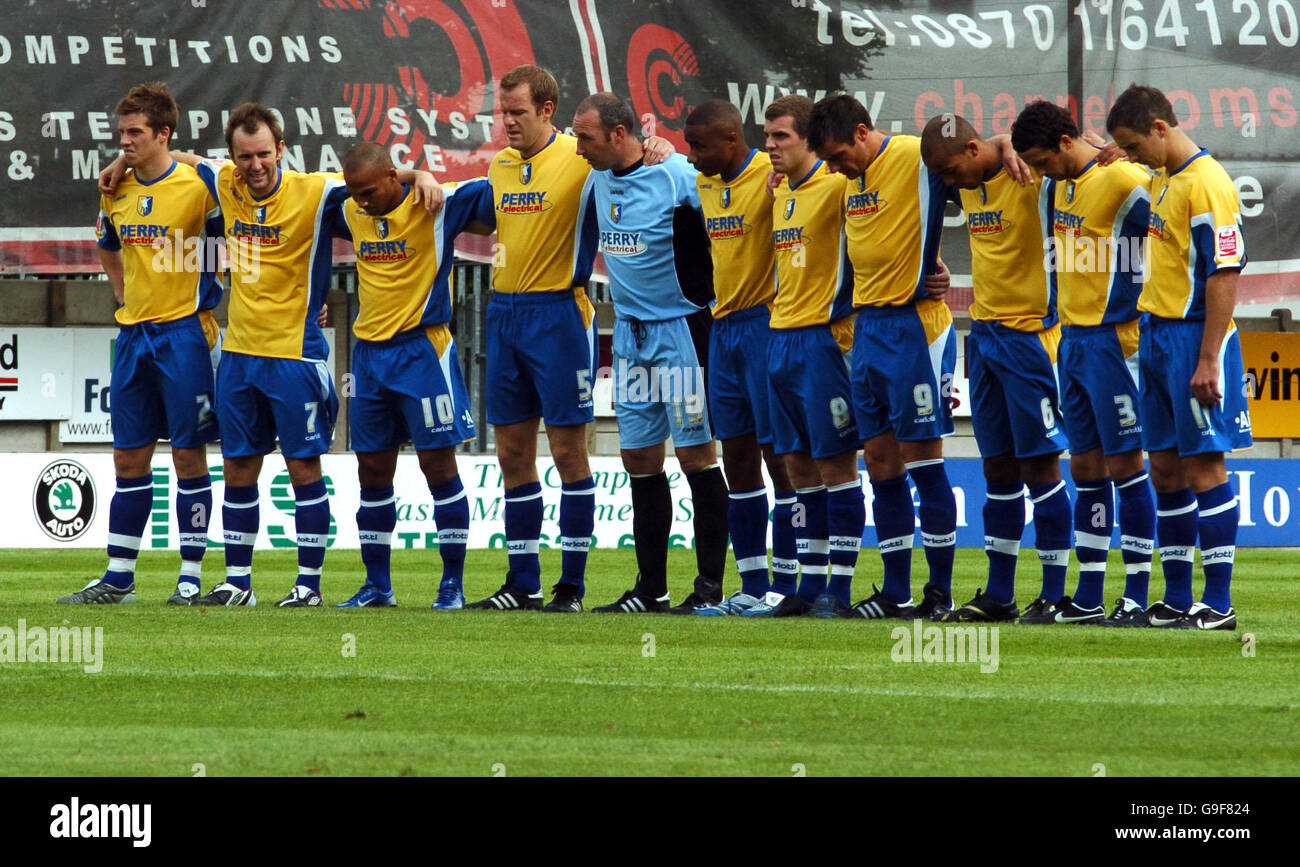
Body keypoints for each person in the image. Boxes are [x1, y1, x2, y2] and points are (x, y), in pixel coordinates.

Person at [100, 102, 439, 607]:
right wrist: (124, 163)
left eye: (263, 155)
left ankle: (309, 585)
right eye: (244, 157)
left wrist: (419, 172)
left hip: (294, 356)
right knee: (238, 468)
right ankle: (239, 582)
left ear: (281, 150)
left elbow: (379, 181)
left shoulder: (317, 190)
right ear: (232, 157)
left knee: (303, 468)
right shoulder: (225, 181)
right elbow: (181, 159)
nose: (254, 166)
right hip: (238, 353)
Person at [465, 65, 672, 613]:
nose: (507, 122)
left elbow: (632, 160)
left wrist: (659, 146)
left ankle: (571, 588)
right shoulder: (500, 166)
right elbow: (478, 215)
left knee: (566, 452)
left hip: (559, 315)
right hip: (504, 315)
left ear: (547, 111)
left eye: (518, 113)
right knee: (511, 453)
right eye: (502, 112)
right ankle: (521, 583)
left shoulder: (580, 162)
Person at [61, 82, 222, 606]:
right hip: (134, 337)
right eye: (121, 132)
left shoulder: (200, 184)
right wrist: (124, 294)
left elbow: (240, 229)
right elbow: (108, 246)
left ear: (163, 135)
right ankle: (119, 577)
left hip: (186, 335)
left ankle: (191, 575)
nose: (123, 142)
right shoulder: (116, 188)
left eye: (134, 133)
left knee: (188, 457)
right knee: (128, 459)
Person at [571, 92, 730, 614]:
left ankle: (709, 589)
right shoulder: (594, 178)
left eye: (587, 138)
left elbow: (736, 206)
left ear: (619, 134)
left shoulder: (678, 173)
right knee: (638, 457)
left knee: (695, 456)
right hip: (631, 338)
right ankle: (651, 591)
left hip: (681, 332)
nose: (578, 149)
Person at [805, 94, 961, 619]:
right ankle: (895, 592)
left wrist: (1008, 146)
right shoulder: (847, 180)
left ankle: (939, 593)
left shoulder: (918, 155)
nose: (835, 167)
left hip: (916, 325)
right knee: (879, 461)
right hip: (867, 328)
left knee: (923, 458)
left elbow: (979, 148)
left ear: (863, 132)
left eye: (839, 155)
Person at [918, 112, 1074, 624]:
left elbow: (1075, 149)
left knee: (1041, 467)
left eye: (948, 170)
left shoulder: (1028, 173)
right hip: (982, 337)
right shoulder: (966, 178)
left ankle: (1054, 594)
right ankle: (1000, 595)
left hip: (1031, 338)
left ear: (970, 147)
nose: (945, 182)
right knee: (997, 470)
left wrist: (1007, 141)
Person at [1106, 84, 1250, 630]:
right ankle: (1175, 598)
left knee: (1204, 467)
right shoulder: (1163, 176)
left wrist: (1210, 357)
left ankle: (1218, 605)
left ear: (1160, 129)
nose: (1131, 155)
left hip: (1195, 339)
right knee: (1164, 469)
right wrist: (1110, 148)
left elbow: (1224, 272)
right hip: (1157, 338)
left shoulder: (1209, 184)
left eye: (1134, 144)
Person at [1010, 100, 1158, 626]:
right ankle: (1089, 596)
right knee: (1086, 467)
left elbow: (1171, 220)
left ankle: (1137, 595)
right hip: (1070, 342)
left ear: (1066, 144)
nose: (1039, 171)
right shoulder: (1054, 186)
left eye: (1042, 160)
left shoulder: (1123, 180)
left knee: (1126, 466)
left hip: (1114, 343)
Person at [327, 143, 492, 608]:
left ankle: (452, 584)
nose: (361, 201)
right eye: (354, 192)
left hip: (423, 351)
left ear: (392, 178)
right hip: (369, 358)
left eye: (368, 190)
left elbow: (498, 189)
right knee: (372, 469)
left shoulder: (435, 202)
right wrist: (413, 171)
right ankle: (378, 586)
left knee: (438, 465)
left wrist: (423, 175)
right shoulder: (349, 209)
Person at [746, 94, 865, 618]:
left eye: (781, 137)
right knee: (796, 466)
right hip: (779, 338)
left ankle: (839, 590)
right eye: (767, 137)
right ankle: (809, 587)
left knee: (836, 464)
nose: (769, 146)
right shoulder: (779, 194)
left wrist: (931, 274)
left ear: (809, 141)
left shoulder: (839, 185)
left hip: (822, 340)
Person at [682, 99, 798, 616]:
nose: (691, 155)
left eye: (699, 146)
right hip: (722, 329)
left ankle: (788, 582)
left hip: (765, 325)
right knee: (738, 457)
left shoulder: (771, 175)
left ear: (731, 140)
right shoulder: (700, 181)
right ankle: (752, 584)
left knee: (781, 458)